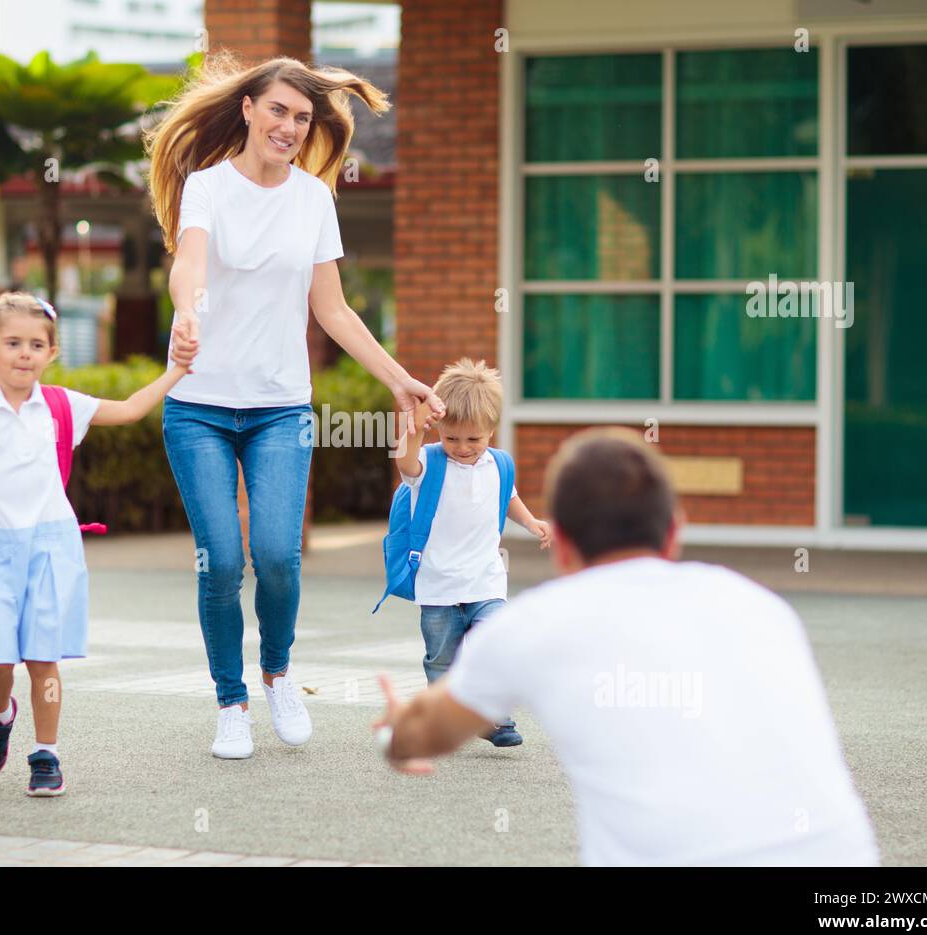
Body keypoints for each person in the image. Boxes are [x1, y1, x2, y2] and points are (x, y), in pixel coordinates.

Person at [374, 428, 880, 866]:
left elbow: (419, 736)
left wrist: (394, 735)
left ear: (564, 547)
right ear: (675, 530)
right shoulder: (763, 606)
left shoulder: (532, 626)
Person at [143, 52, 445, 759]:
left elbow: (333, 310)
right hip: (199, 405)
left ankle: (276, 672)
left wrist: (399, 380)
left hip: (281, 406)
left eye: (302, 117)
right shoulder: (207, 188)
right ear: (247, 109)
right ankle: (231, 700)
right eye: (277, 110)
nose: (288, 125)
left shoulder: (313, 198)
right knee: (221, 561)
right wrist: (187, 309)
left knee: (277, 557)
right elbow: (188, 260)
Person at [0, 292, 195, 795]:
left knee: (45, 655)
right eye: (13, 342)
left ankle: (46, 753)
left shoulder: (65, 406)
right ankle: (0, 714)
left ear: (52, 353)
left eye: (37, 344)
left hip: (51, 544)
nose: (24, 352)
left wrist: (175, 370)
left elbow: (132, 409)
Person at [392, 358, 551, 747]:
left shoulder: (499, 465)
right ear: (440, 431)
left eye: (473, 440)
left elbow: (508, 497)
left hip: (486, 582)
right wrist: (416, 425)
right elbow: (404, 461)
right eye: (452, 439)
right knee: (441, 661)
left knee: (492, 647)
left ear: (491, 431)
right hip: (439, 588)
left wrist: (530, 522)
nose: (462, 449)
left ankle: (491, 716)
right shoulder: (429, 462)